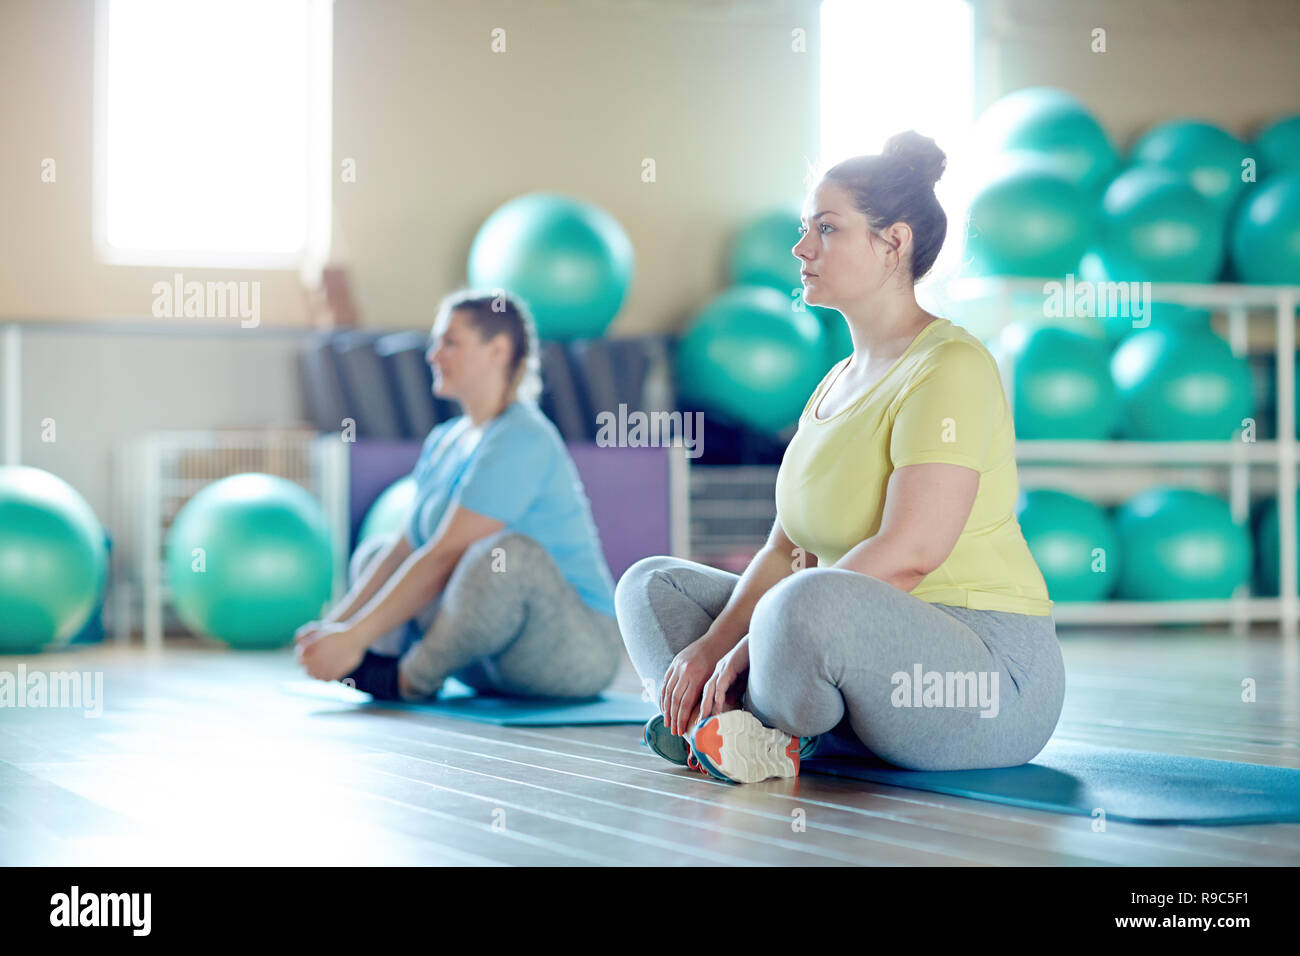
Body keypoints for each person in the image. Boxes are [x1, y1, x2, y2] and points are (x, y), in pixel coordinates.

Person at [616, 130, 1065, 784]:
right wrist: (712, 647)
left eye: (826, 229)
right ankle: (734, 724)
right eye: (804, 229)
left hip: (985, 678)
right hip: (847, 653)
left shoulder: (951, 366)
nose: (801, 249)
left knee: (801, 606)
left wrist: (753, 644)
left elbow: (911, 553)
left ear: (895, 242)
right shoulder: (833, 381)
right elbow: (783, 551)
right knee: (651, 585)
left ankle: (757, 728)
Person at [296, 289, 622, 702]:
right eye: (435, 343)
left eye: (449, 342)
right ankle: (377, 662)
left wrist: (355, 635)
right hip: (487, 655)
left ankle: (410, 678)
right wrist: (336, 629)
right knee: (377, 552)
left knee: (506, 558)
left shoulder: (522, 435)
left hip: (571, 649)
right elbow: (405, 548)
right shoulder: (445, 439)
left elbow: (444, 556)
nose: (433, 355)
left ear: (498, 350)